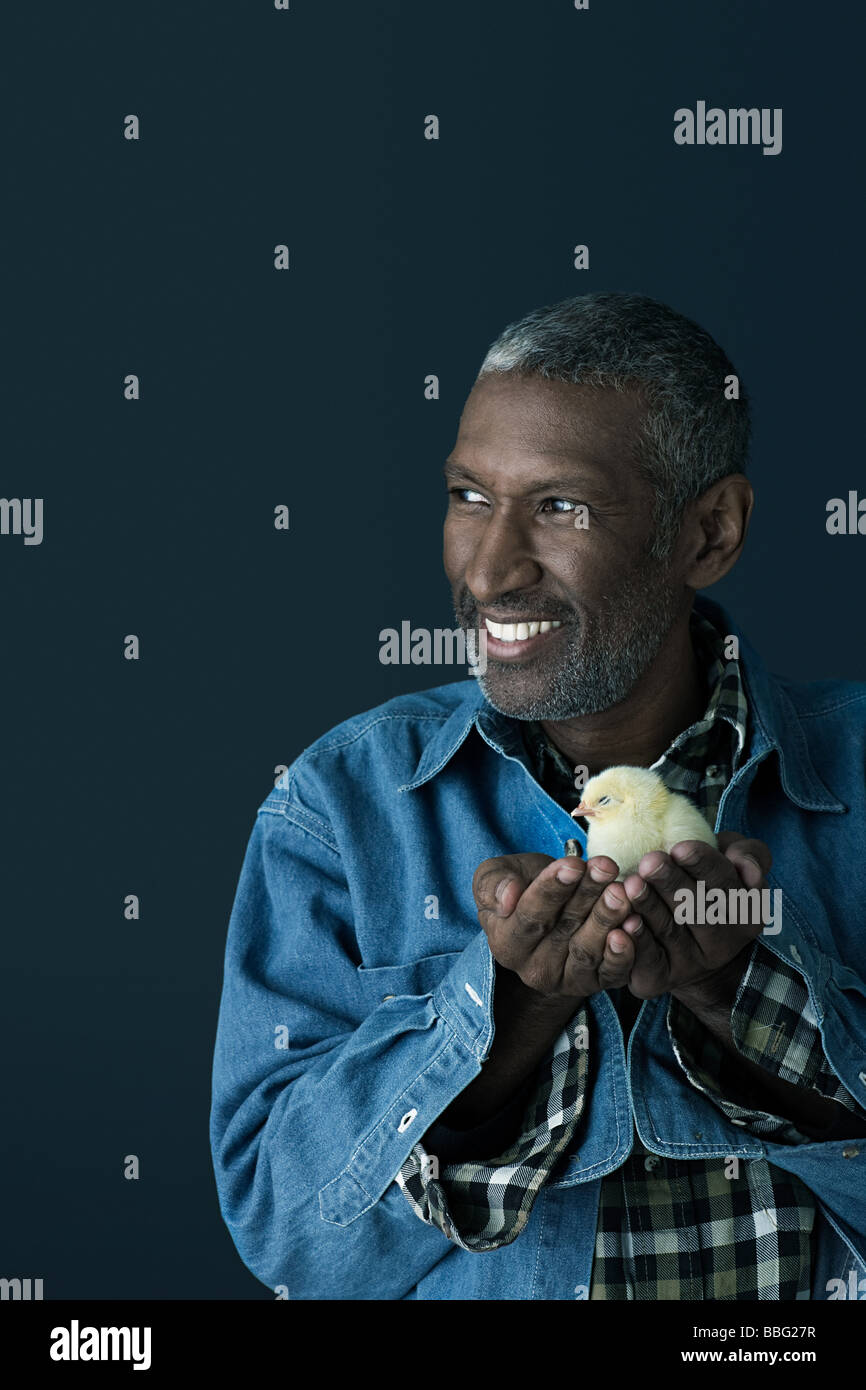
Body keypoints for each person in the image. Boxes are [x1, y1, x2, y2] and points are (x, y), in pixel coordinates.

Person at [210, 292, 866, 1300]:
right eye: (469, 495)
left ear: (708, 531)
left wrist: (739, 999)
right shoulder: (341, 807)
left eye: (559, 505)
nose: (488, 568)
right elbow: (290, 1239)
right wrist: (506, 1007)